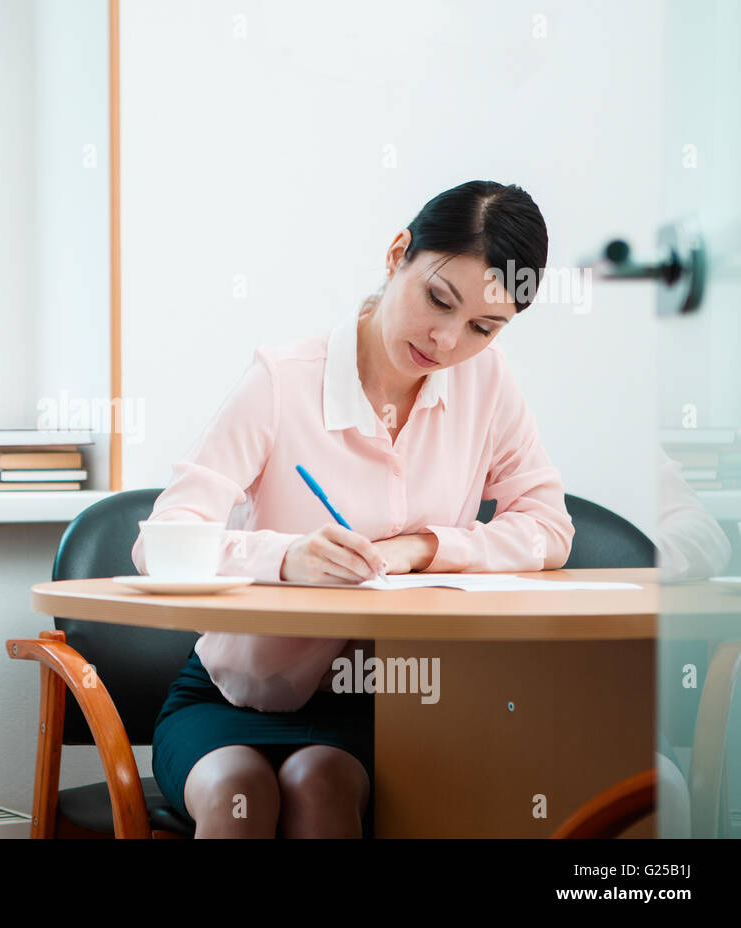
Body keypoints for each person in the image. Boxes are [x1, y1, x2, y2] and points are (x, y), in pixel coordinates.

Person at [131, 180, 576, 837]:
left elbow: (548, 528)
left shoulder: (487, 381)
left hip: (391, 705)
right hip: (234, 695)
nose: (447, 342)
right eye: (438, 299)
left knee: (319, 784)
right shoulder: (284, 381)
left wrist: (426, 547)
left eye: (483, 327)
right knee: (238, 794)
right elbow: (163, 539)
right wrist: (286, 557)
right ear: (399, 253)